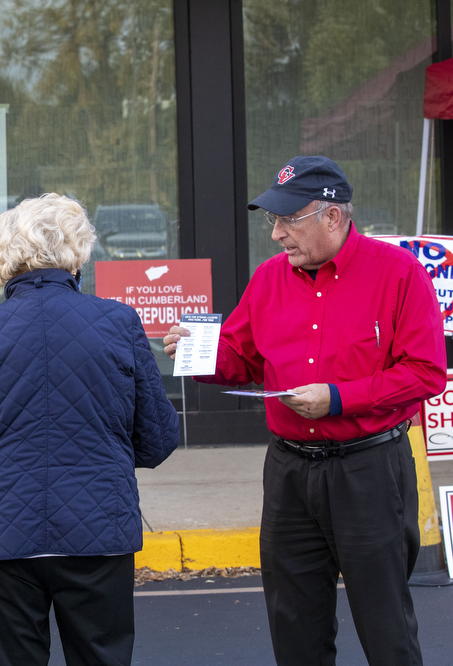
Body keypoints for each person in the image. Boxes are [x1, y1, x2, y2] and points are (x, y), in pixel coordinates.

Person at [163, 156, 445, 666]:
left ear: (332, 217)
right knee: (295, 627)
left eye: (287, 220)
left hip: (370, 471)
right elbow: (241, 358)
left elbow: (425, 373)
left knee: (386, 630)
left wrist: (336, 398)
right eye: (272, 220)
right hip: (290, 473)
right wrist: (196, 352)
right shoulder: (270, 279)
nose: (275, 235)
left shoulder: (398, 273)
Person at [0, 193, 181, 665]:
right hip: (97, 531)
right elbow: (159, 440)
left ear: (2, 256)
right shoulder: (119, 323)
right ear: (79, 251)